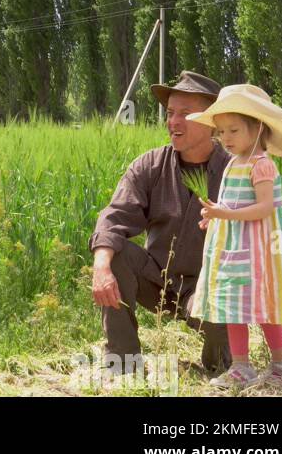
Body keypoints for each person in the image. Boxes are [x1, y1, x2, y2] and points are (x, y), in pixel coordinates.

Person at [90, 71, 232, 374]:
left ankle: (221, 366)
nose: (173, 122)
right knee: (114, 256)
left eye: (185, 114)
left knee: (224, 369)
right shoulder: (149, 165)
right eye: (170, 113)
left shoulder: (236, 172)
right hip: (154, 280)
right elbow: (114, 217)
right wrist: (101, 266)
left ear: (213, 120)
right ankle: (124, 364)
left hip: (209, 289)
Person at [187, 84, 282, 388]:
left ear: (258, 128)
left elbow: (264, 208)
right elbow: (231, 204)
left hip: (261, 249)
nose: (225, 138)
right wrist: (214, 216)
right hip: (235, 246)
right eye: (221, 131)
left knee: (265, 302)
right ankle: (241, 366)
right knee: (233, 305)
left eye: (233, 130)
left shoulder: (261, 165)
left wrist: (225, 215)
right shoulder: (233, 164)